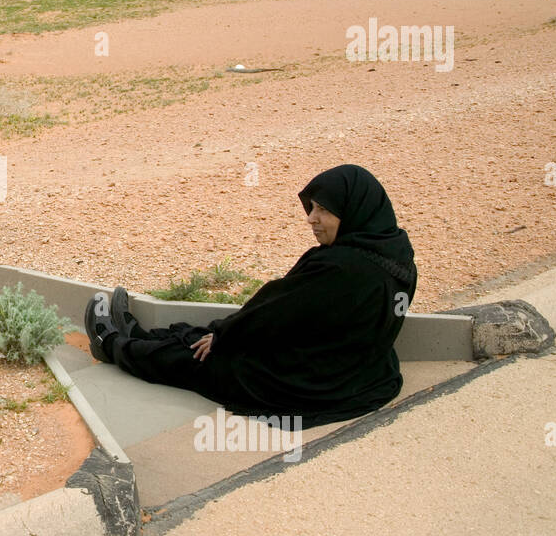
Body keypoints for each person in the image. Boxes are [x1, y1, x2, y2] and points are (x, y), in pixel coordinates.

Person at [84, 164, 418, 427]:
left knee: (198, 358)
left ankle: (112, 344)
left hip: (310, 383)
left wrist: (226, 335)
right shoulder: (395, 253)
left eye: (323, 210)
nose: (311, 219)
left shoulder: (340, 268)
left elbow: (276, 311)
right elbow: (291, 312)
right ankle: (138, 335)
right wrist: (228, 331)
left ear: (352, 209)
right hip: (362, 372)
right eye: (312, 208)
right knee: (210, 334)